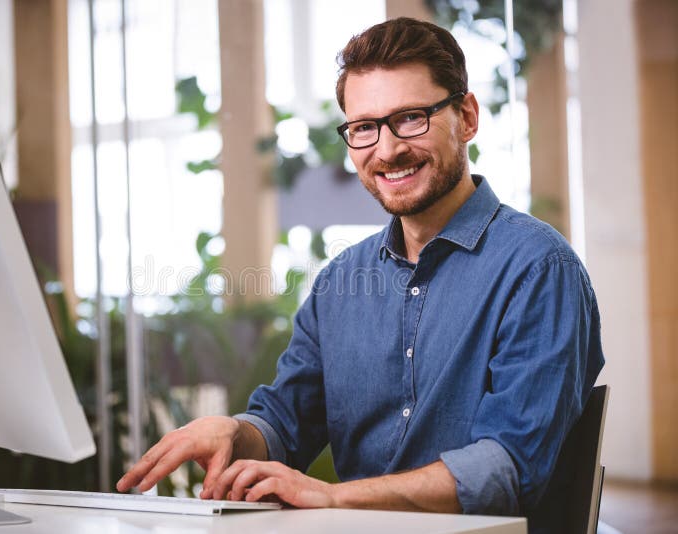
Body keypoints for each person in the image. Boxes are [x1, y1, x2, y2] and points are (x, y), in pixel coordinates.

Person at [117, 17, 604, 532]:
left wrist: (334, 498)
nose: (387, 150)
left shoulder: (539, 269)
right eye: (364, 128)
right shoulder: (339, 282)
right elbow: (285, 423)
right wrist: (236, 433)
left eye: (411, 118)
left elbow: (506, 469)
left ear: (466, 117)